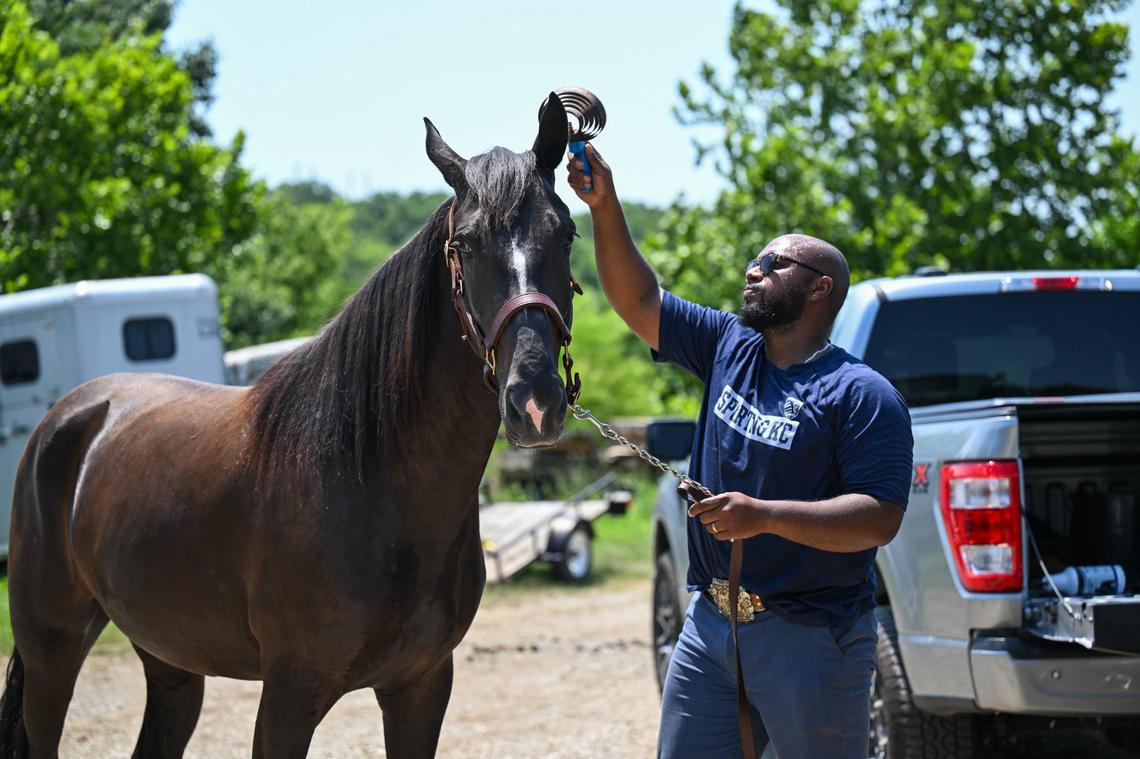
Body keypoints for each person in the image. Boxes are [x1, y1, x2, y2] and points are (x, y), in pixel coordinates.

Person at [566, 144, 913, 759]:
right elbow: (640, 302)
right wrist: (604, 205)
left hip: (812, 637)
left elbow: (879, 517)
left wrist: (764, 516)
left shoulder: (861, 394)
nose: (754, 271)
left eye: (774, 264)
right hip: (710, 628)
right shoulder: (731, 344)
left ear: (819, 289)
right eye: (755, 260)